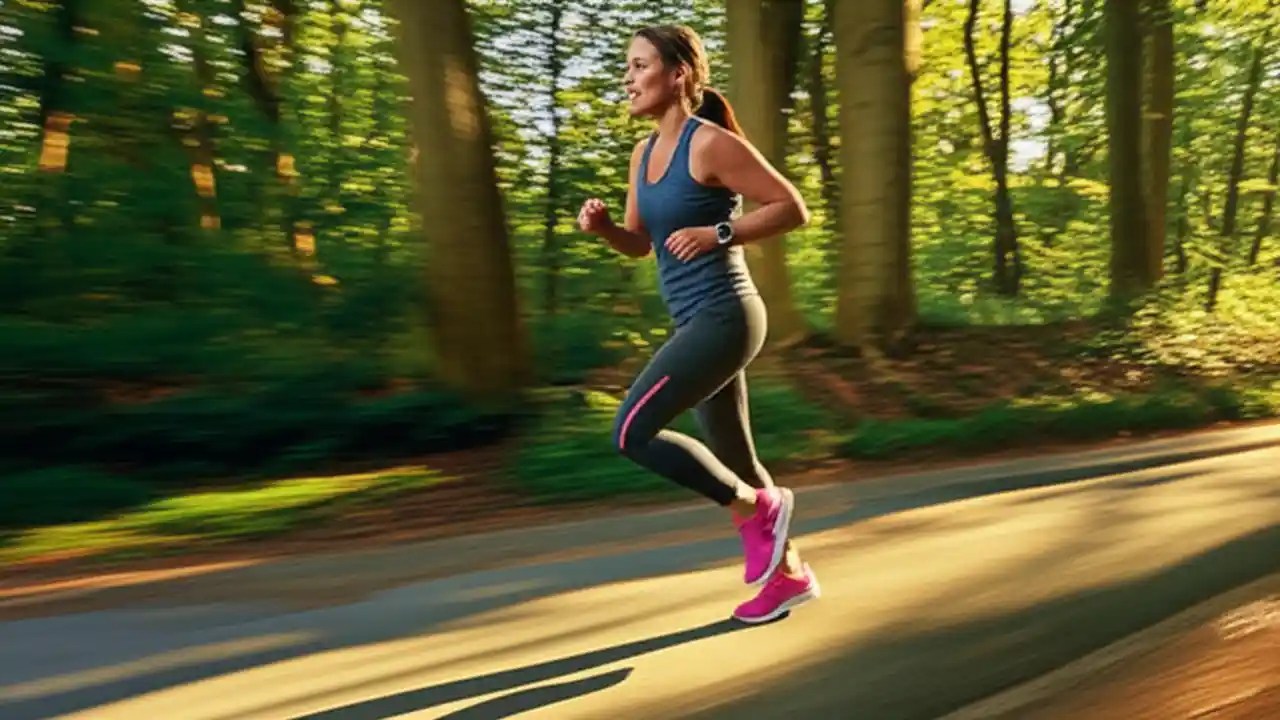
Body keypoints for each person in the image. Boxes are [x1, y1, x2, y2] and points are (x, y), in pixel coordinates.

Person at [576, 24, 819, 624]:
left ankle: (752, 510)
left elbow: (792, 207)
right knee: (737, 458)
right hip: (695, 321)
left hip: (725, 316)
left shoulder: (709, 144)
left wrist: (720, 233)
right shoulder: (643, 154)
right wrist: (605, 228)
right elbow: (641, 244)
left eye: (638, 66)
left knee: (632, 431)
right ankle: (787, 576)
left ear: (678, 74)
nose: (626, 78)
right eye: (626, 67)